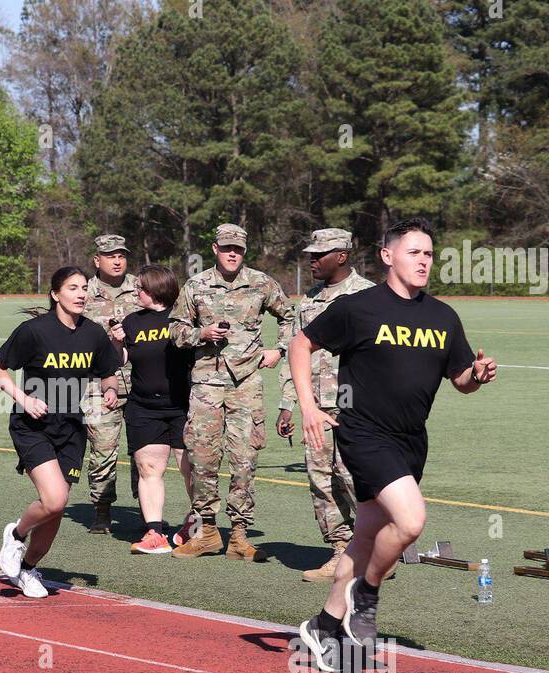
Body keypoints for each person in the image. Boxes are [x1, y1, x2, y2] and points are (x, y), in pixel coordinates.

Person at [291, 217, 497, 672]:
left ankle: (324, 625)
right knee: (411, 520)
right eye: (414, 252)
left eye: (429, 253)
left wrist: (477, 377)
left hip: (411, 440)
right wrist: (307, 405)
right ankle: (366, 594)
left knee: (365, 535)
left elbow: (460, 379)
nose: (424, 261)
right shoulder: (358, 307)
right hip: (364, 433)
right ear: (388, 256)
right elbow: (300, 344)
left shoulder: (443, 316)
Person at [0, 267, 121, 598]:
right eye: (73, 288)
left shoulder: (93, 333)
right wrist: (23, 398)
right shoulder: (33, 331)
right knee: (55, 498)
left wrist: (108, 389)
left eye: (84, 288)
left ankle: (29, 570)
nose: (80, 294)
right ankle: (16, 535)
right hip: (32, 424)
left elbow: (108, 371)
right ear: (55, 294)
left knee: (56, 509)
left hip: (71, 428)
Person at [169, 223, 294, 560]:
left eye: (237, 249)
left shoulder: (261, 283)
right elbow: (175, 328)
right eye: (226, 248)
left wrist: (279, 349)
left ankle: (239, 536)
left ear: (244, 251)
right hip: (207, 383)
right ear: (214, 249)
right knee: (203, 457)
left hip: (246, 383)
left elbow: (290, 316)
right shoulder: (195, 285)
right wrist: (201, 334)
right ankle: (207, 531)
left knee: (245, 459)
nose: (232, 254)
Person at [277, 229, 374, 581]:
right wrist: (289, 403)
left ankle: (375, 551)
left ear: (343, 255)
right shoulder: (309, 300)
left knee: (355, 478)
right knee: (321, 479)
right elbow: (295, 351)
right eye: (311, 254)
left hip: (355, 405)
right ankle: (340, 550)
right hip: (314, 406)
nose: (312, 260)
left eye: (320, 254)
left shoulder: (369, 297)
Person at [111, 265, 195, 554]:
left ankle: (196, 523)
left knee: (190, 469)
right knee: (149, 469)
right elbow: (120, 360)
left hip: (183, 406)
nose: (135, 291)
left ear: (156, 289)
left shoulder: (181, 318)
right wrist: (117, 341)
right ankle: (154, 532)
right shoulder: (132, 320)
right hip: (144, 407)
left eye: (140, 287)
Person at [81, 234, 141, 534]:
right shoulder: (83, 292)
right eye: (110, 255)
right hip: (97, 384)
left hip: (142, 380)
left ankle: (147, 512)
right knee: (103, 449)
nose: (117, 260)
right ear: (97, 260)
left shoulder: (141, 288)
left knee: (144, 450)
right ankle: (102, 510)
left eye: (121, 254)